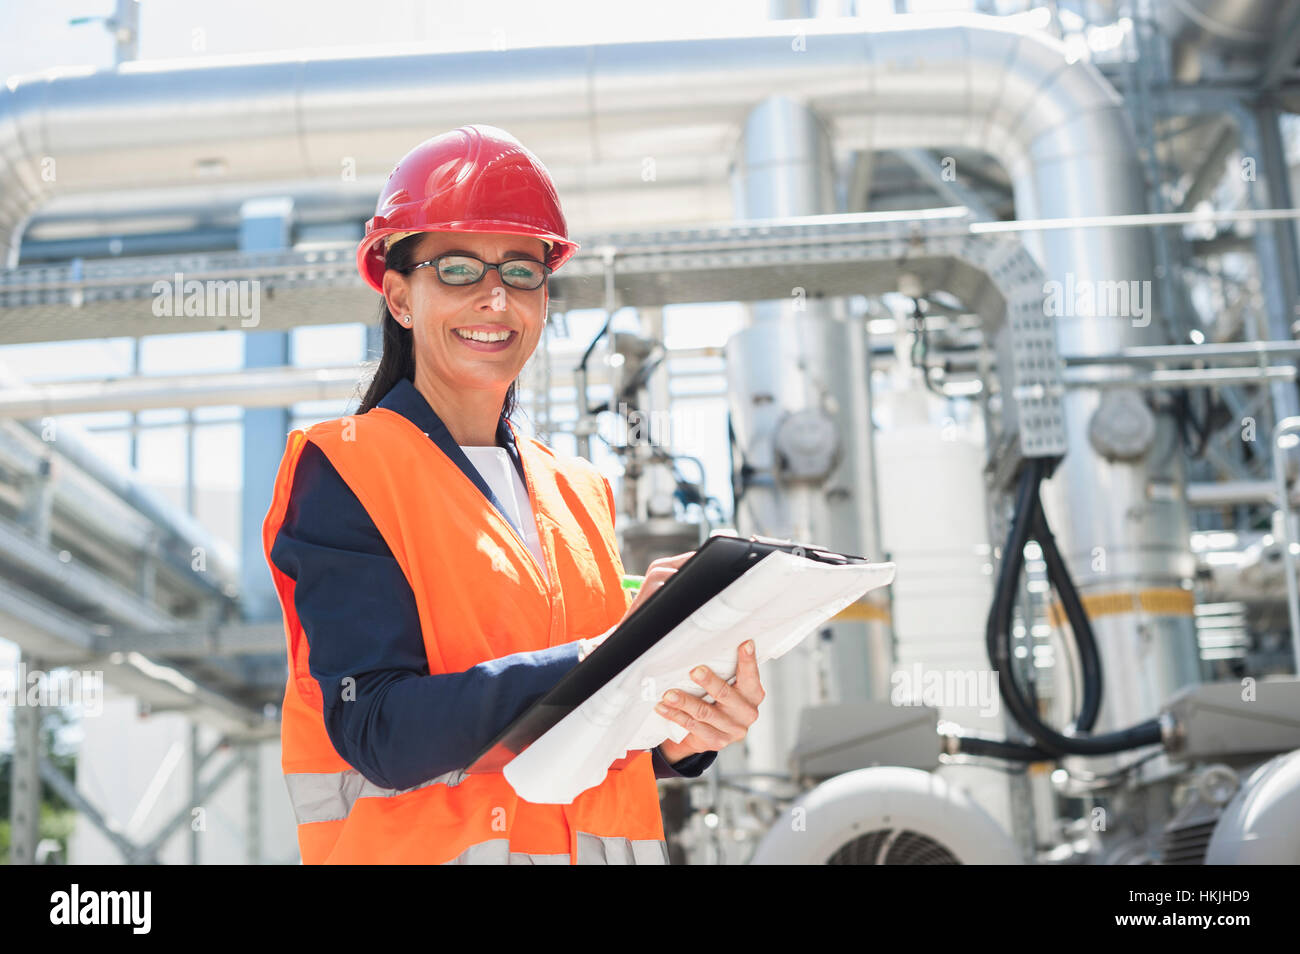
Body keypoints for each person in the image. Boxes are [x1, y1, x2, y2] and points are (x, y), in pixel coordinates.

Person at [262, 124, 765, 864]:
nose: (495, 297)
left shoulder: (581, 493)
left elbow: (583, 734)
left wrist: (680, 735)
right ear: (400, 299)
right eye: (458, 270)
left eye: (521, 271)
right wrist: (614, 655)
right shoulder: (347, 469)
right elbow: (383, 734)